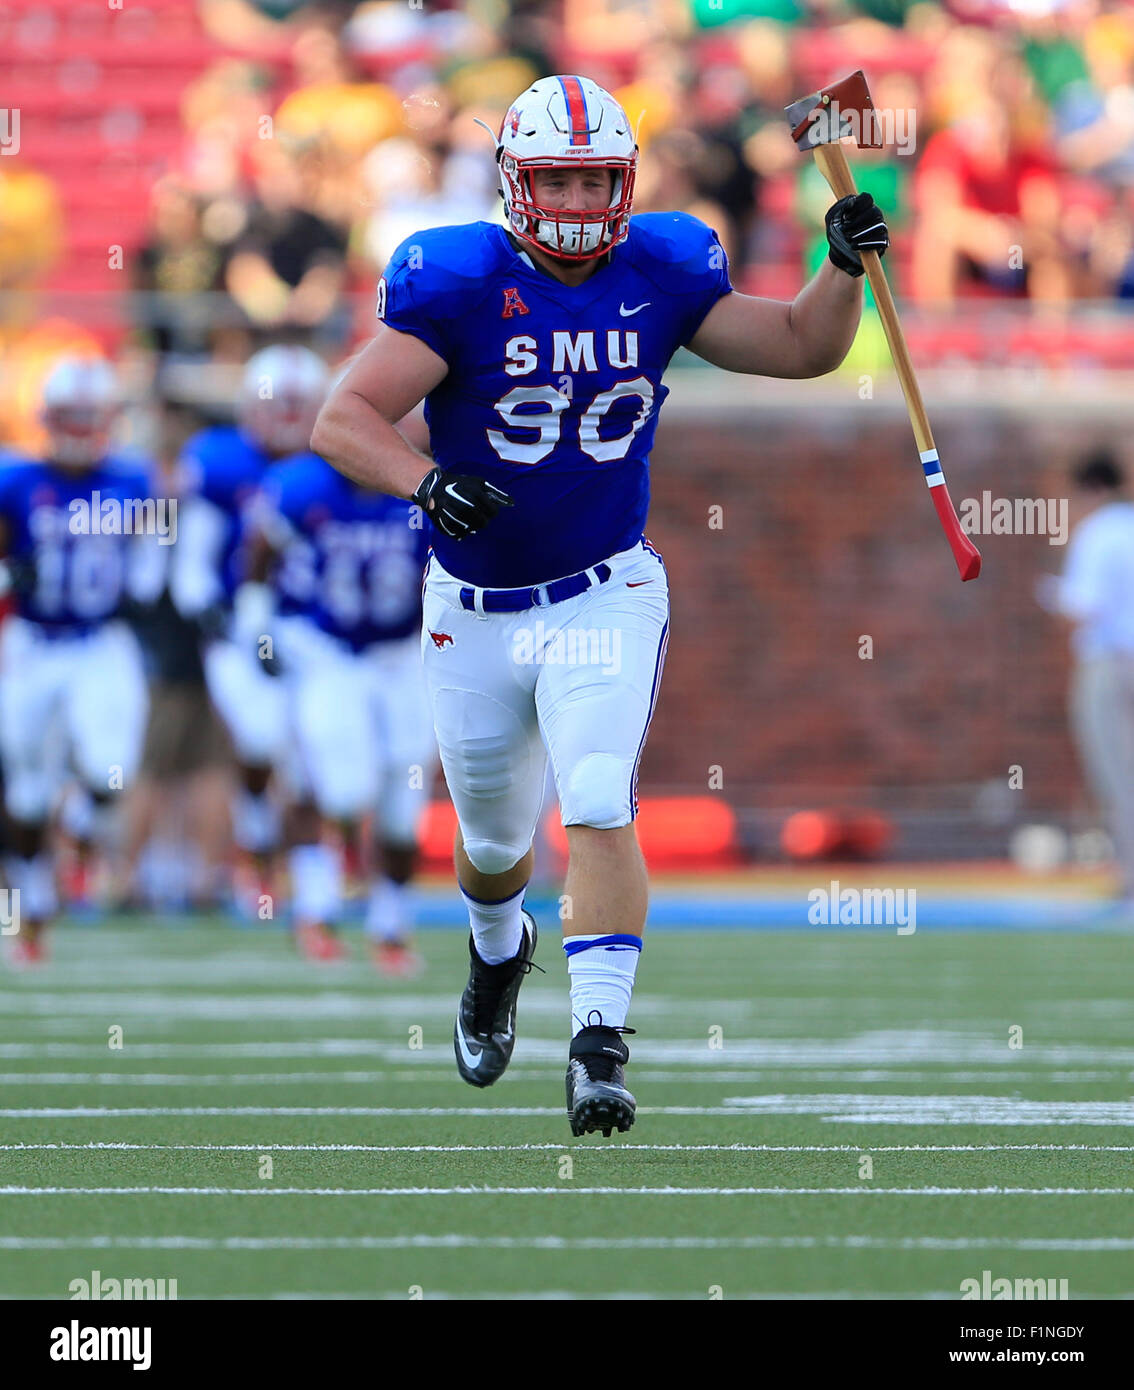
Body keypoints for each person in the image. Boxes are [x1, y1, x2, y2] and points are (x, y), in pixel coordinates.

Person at [311, 74, 888, 1136]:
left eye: (594, 178)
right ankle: (497, 954)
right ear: (514, 182)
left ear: (625, 181)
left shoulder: (664, 270)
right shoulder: (459, 279)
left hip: (603, 588)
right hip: (473, 603)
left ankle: (598, 1048)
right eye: (556, 179)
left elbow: (806, 346)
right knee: (492, 845)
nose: (577, 201)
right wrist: (424, 480)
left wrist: (839, 265)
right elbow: (344, 418)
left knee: (595, 794)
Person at [245, 447, 436, 967]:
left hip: (401, 654)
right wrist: (258, 627)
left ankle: (392, 924)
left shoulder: (425, 482)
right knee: (336, 786)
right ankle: (315, 910)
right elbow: (260, 551)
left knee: (404, 796)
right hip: (325, 651)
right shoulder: (301, 487)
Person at [0, 358, 153, 962]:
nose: (82, 429)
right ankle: (35, 906)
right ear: (48, 420)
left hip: (101, 641)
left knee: (110, 766)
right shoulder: (15, 480)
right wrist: (11, 574)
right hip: (33, 643)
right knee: (29, 790)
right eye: (72, 417)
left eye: (92, 417)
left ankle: (82, 836)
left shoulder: (132, 480)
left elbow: (148, 559)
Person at [170, 344, 330, 917]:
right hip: (245, 628)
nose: (287, 418)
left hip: (319, 631)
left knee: (315, 756)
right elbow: (192, 564)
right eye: (277, 404)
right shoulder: (222, 462)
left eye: (299, 405)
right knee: (262, 740)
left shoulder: (340, 459)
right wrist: (222, 618)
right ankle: (259, 851)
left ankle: (313, 874)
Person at [1037, 452, 1134, 915]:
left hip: (1110, 664)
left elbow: (1085, 605)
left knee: (1118, 774)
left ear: (1090, 488)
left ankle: (1129, 874)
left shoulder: (1096, 533)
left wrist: (1050, 594)